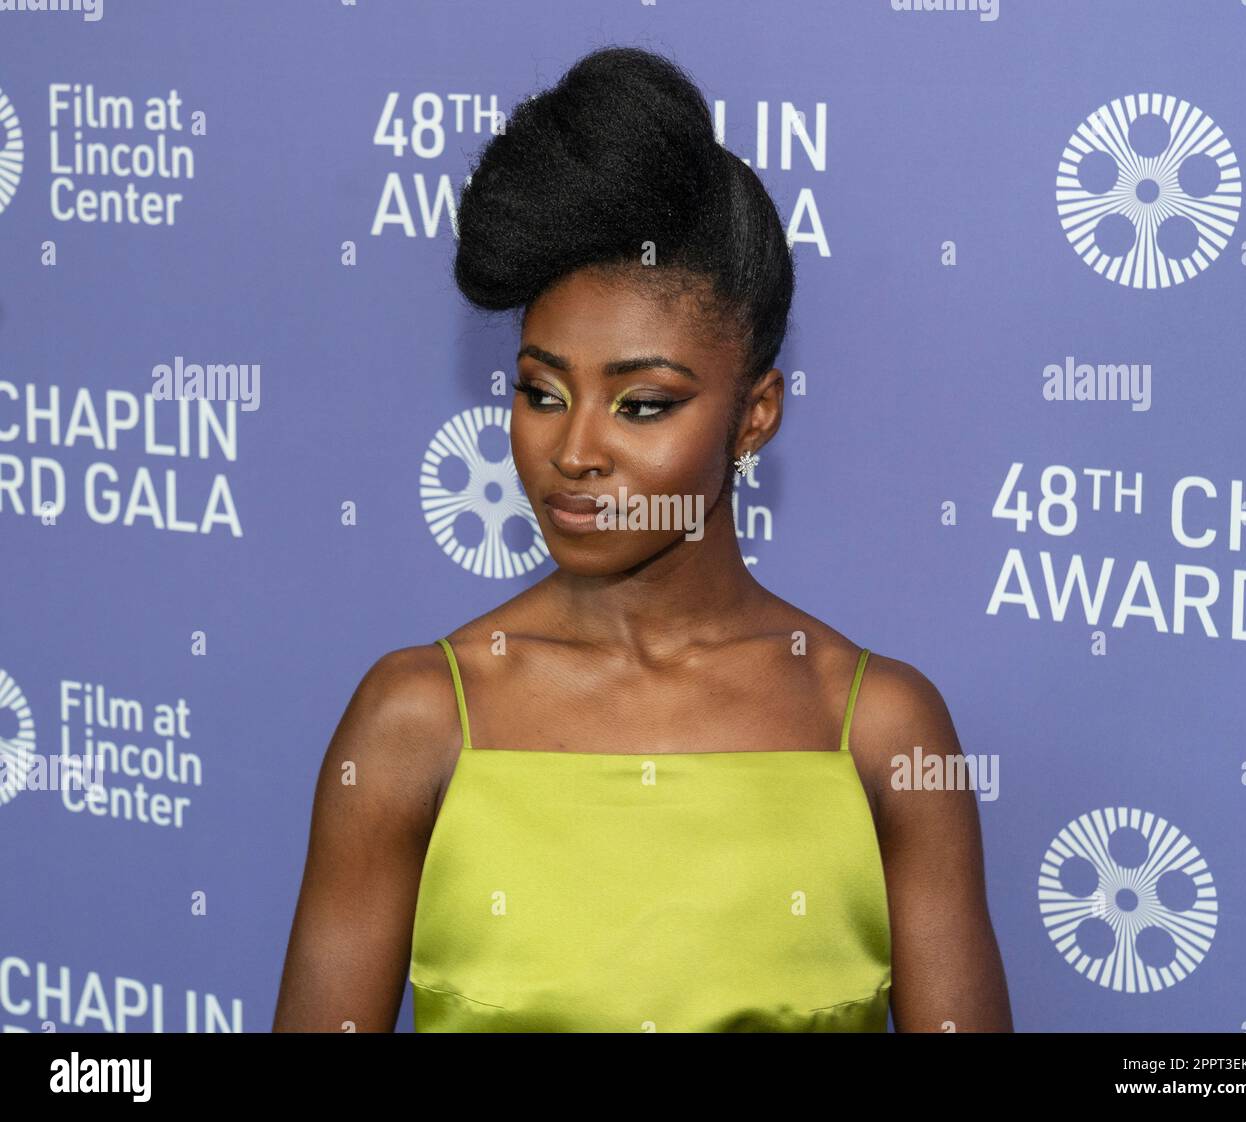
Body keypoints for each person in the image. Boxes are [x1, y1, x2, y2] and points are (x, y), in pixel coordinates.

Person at [273, 44, 1012, 1033]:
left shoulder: (882, 731)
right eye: (540, 392)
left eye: (643, 404)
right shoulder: (414, 722)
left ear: (755, 416)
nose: (572, 451)